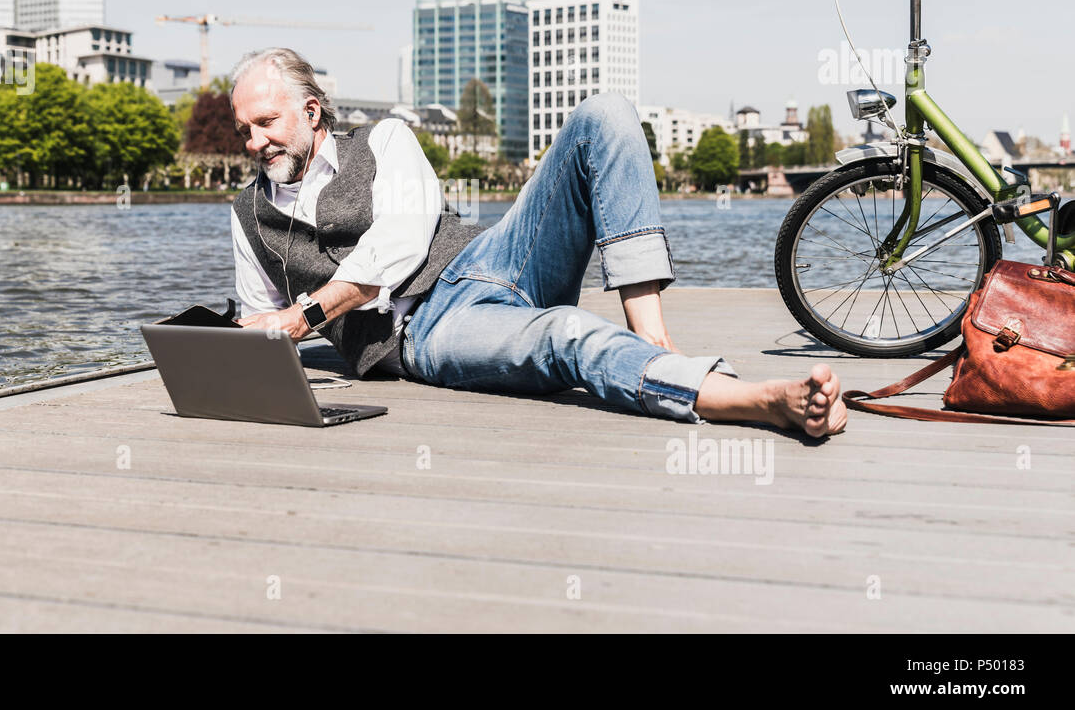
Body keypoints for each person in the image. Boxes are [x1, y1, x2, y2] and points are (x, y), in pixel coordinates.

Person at [229, 47, 844, 438]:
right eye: (243, 130)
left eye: (266, 123)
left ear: (312, 112)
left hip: (486, 258)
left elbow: (396, 244)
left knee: (603, 113)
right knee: (564, 335)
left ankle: (652, 337)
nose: (255, 142)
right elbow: (258, 320)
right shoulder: (248, 215)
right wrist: (252, 334)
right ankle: (754, 398)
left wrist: (305, 314)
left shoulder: (386, 140)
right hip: (427, 334)